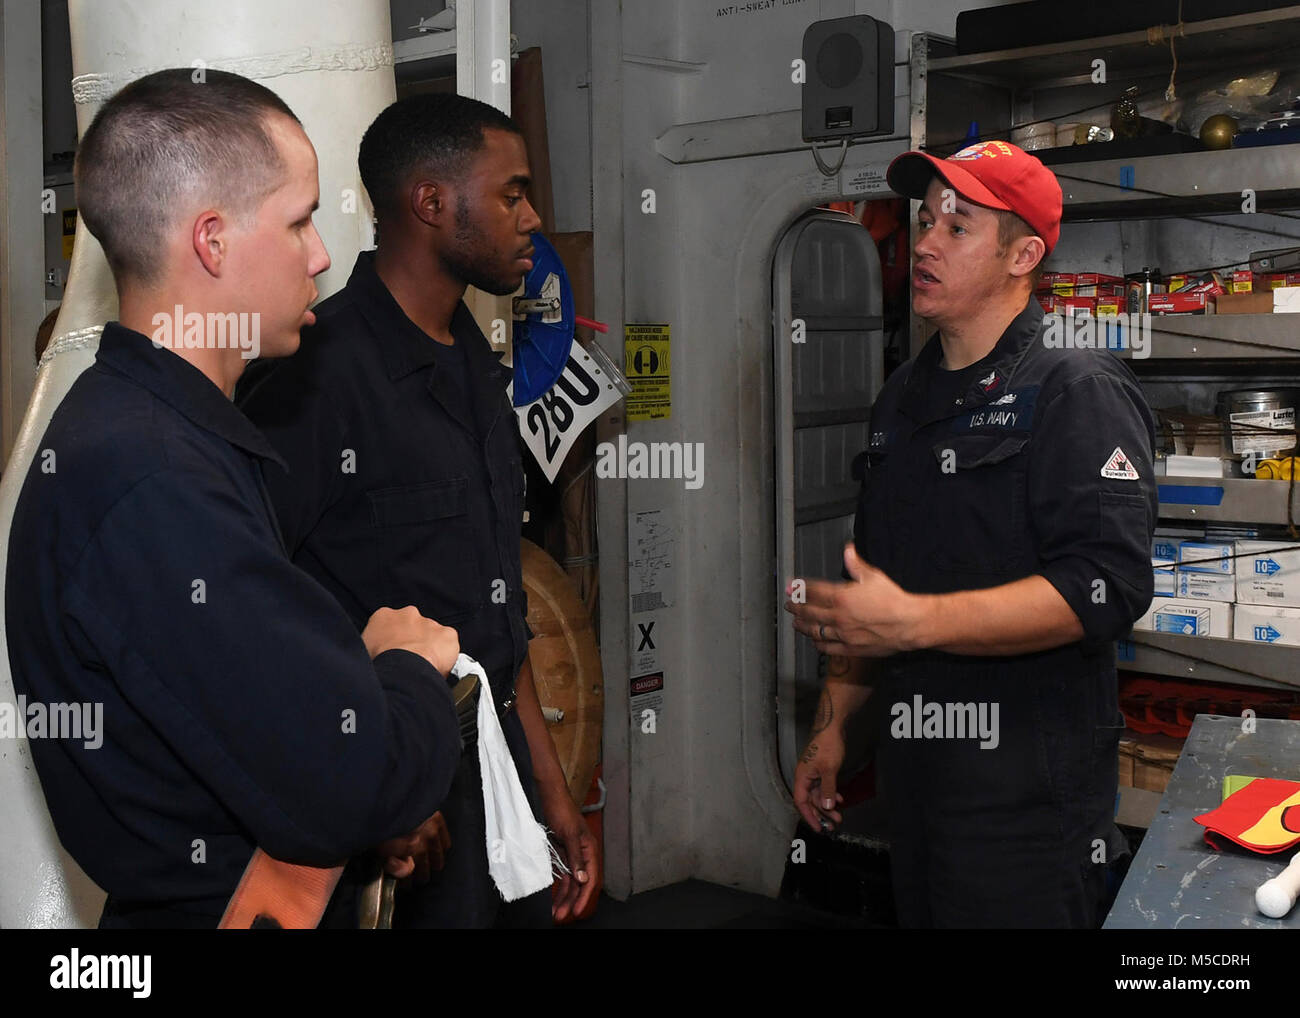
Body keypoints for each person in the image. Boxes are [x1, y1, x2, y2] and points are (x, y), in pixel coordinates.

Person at [5, 68, 465, 929]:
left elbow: (235, 736)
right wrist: (407, 669)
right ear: (211, 242)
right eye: (298, 221)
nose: (322, 254)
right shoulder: (151, 479)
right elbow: (343, 781)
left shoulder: (148, 435)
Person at [238, 92, 598, 927]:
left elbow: (494, 613)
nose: (533, 218)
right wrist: (375, 782)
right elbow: (261, 624)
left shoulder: (475, 366)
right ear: (431, 203)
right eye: (511, 194)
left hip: (491, 767)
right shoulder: (314, 376)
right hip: (388, 793)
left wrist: (552, 786)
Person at [785, 140, 1157, 928]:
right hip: (914, 796)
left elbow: (1105, 585)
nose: (923, 242)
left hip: (1028, 816)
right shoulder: (902, 399)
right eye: (924, 221)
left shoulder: (1075, 389)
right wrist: (831, 732)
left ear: (1024, 255)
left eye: (956, 228)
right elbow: (872, 590)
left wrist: (916, 622)